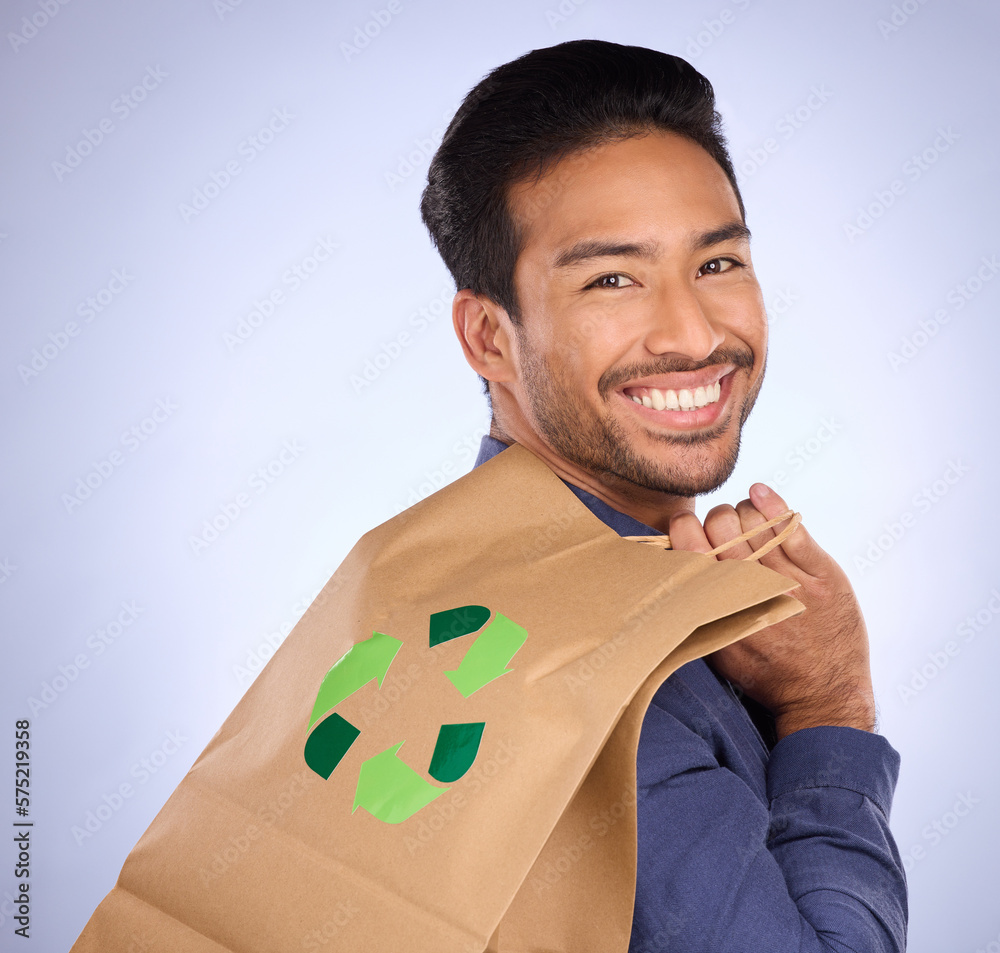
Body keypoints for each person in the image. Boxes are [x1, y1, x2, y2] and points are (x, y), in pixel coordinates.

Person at [420, 39, 907, 951]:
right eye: (613, 279)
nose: (693, 333)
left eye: (718, 264)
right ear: (488, 336)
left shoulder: (427, 587)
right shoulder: (598, 675)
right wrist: (828, 705)